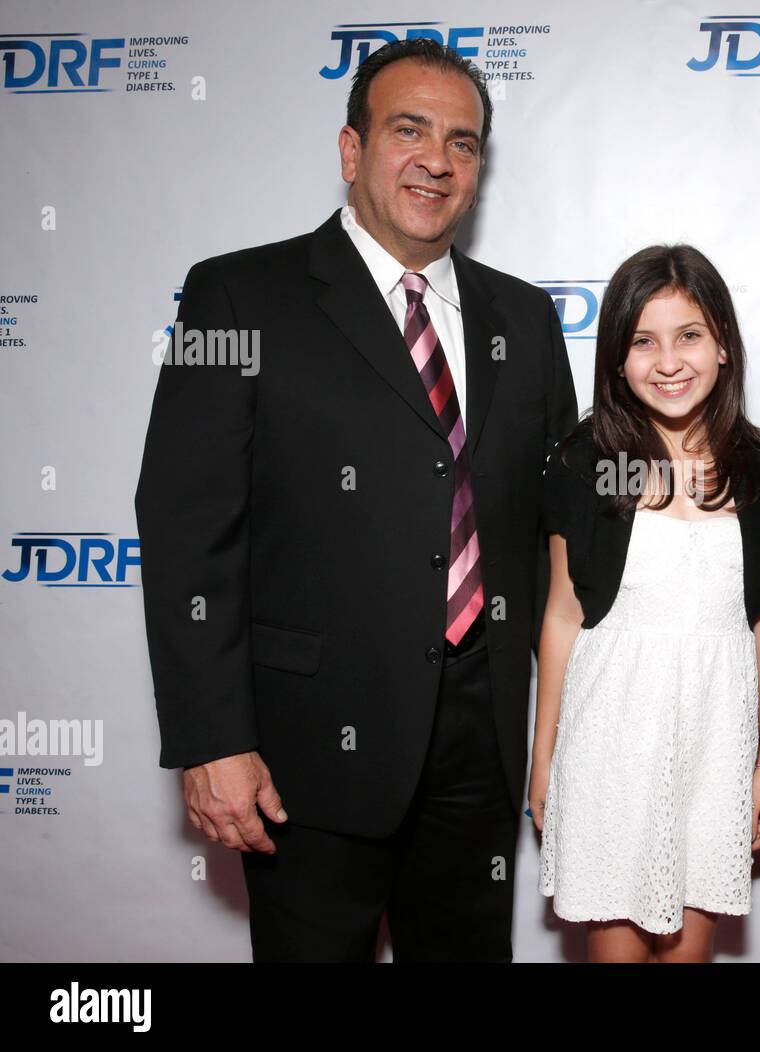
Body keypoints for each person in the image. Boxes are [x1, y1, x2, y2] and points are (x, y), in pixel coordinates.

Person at [134, 38, 578, 961]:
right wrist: (213, 738)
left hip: (480, 745)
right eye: (408, 129)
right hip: (303, 756)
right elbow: (185, 529)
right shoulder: (236, 298)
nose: (437, 159)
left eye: (462, 142)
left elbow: (561, 525)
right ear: (350, 149)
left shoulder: (525, 321)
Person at [530, 245, 760, 963]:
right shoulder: (582, 462)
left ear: (722, 344)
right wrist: (544, 755)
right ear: (617, 359)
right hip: (607, 744)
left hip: (716, 747)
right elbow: (562, 614)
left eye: (688, 335)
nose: (669, 360)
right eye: (643, 341)